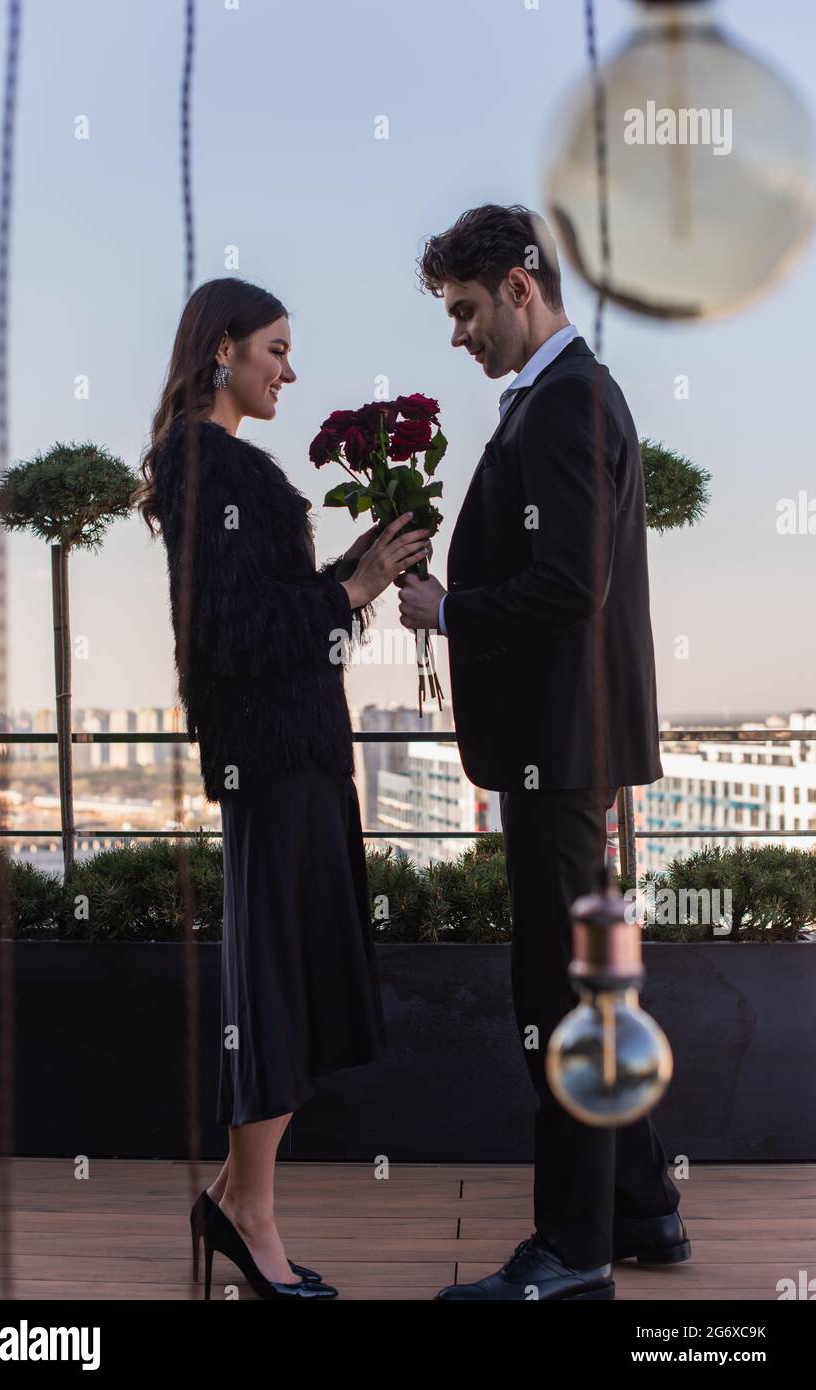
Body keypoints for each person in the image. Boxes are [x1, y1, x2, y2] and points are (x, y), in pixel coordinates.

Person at [398, 204, 689, 1301]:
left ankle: (573, 1251)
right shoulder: (568, 396)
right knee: (586, 989)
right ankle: (644, 1204)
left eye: (467, 310)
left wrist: (447, 608)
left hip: (557, 752)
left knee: (557, 1000)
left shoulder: (565, 402)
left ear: (522, 285)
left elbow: (571, 588)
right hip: (565, 749)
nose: (459, 335)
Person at [135, 276, 430, 1300]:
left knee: (293, 982)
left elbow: (292, 626)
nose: (290, 371)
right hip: (269, 760)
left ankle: (232, 1200)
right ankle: (248, 1215)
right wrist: (350, 585)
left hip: (297, 752)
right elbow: (230, 633)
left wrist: (366, 567)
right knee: (273, 990)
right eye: (276, 349)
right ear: (224, 347)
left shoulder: (225, 465)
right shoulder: (197, 461)